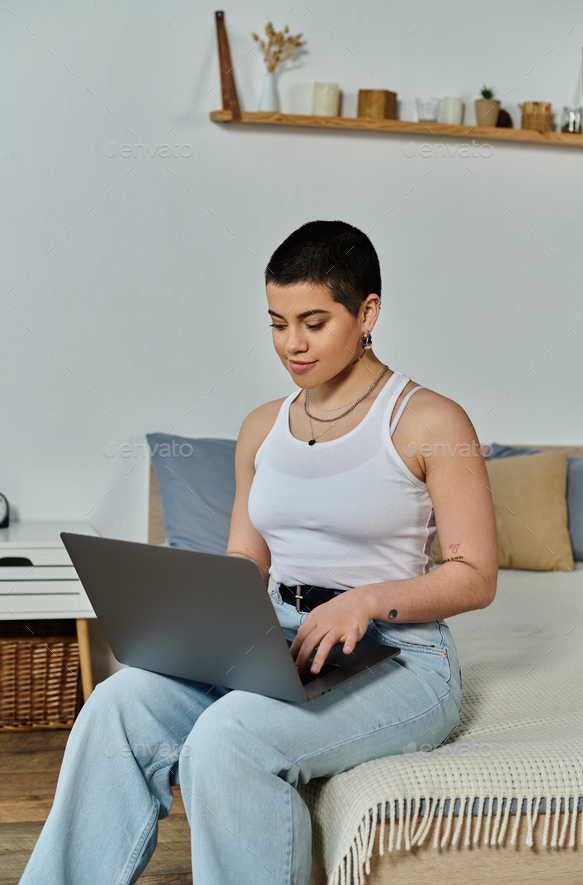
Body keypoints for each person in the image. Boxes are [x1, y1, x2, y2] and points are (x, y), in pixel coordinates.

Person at [20, 220, 498, 885]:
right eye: (276, 323)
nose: (291, 344)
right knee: (117, 704)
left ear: (367, 313)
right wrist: (192, 617)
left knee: (229, 738)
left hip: (400, 655)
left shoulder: (429, 420)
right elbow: (248, 559)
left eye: (312, 321)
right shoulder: (261, 427)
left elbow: (476, 575)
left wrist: (363, 600)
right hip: (272, 640)